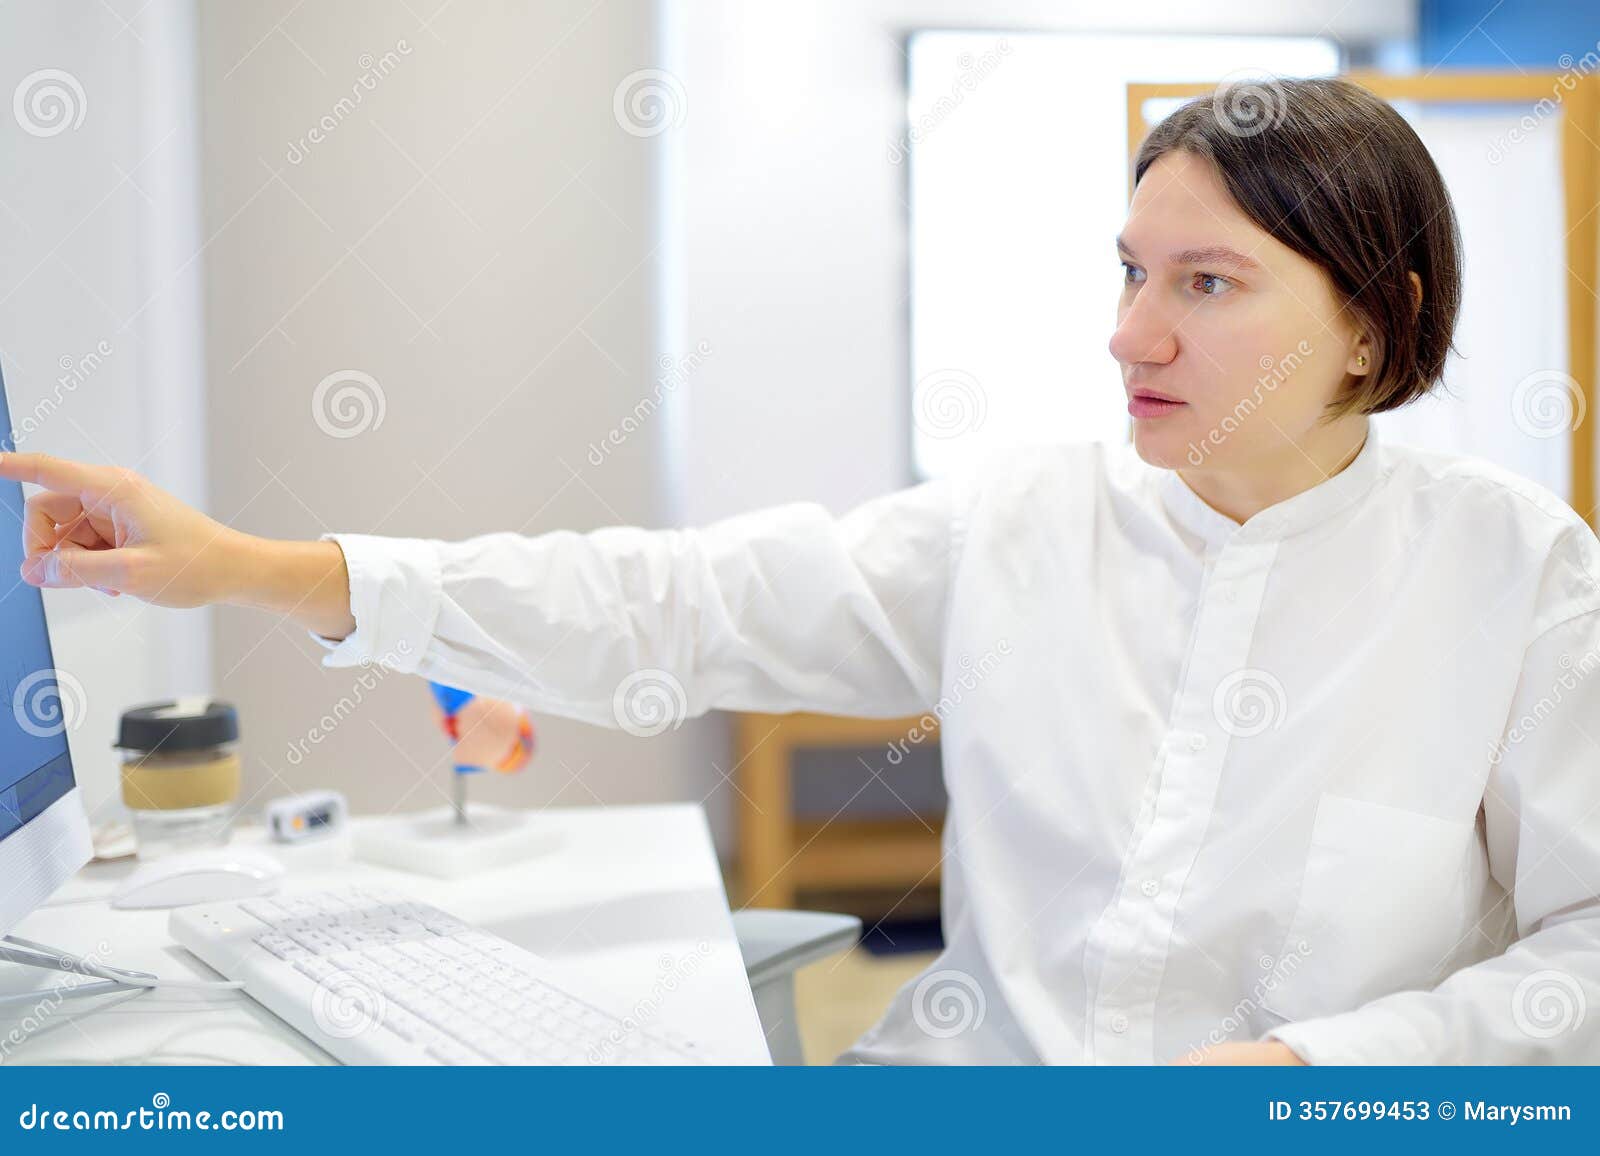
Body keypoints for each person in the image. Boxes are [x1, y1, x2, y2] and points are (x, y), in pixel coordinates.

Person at [3, 77, 1597, 1065]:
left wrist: (1328, 1067)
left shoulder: (1515, 576)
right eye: (1126, 272)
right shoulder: (1019, 525)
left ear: (1373, 325)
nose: (1129, 334)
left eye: (1206, 282)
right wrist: (249, 567)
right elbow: (669, 606)